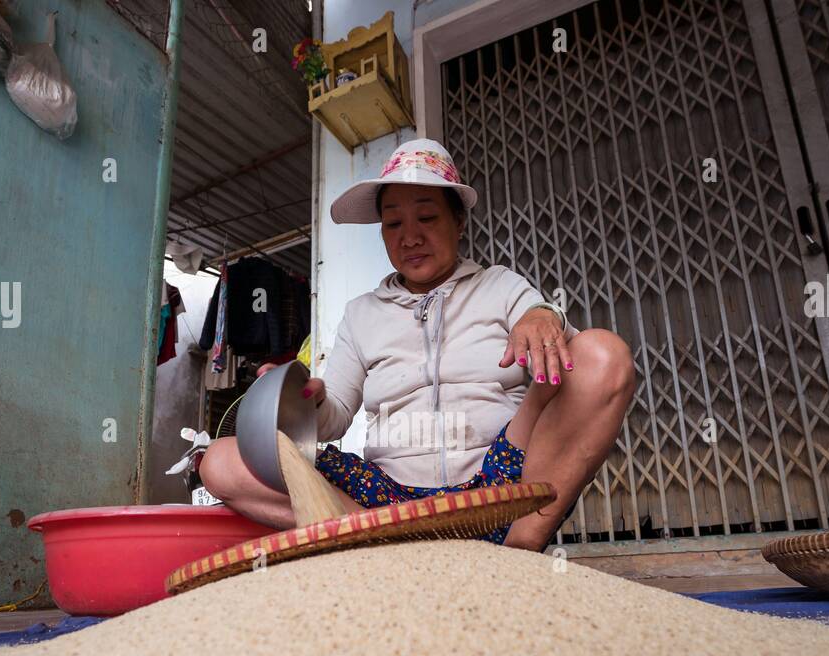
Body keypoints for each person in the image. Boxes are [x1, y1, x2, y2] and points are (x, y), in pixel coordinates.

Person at [200, 139, 635, 550]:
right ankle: (386, 542)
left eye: (427, 217)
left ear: (458, 221)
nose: (410, 237)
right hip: (383, 499)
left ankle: (518, 550)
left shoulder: (500, 286)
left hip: (501, 488)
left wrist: (545, 315)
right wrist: (303, 405)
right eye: (393, 223)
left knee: (604, 354)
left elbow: (575, 361)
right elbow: (333, 420)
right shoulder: (361, 313)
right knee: (219, 461)